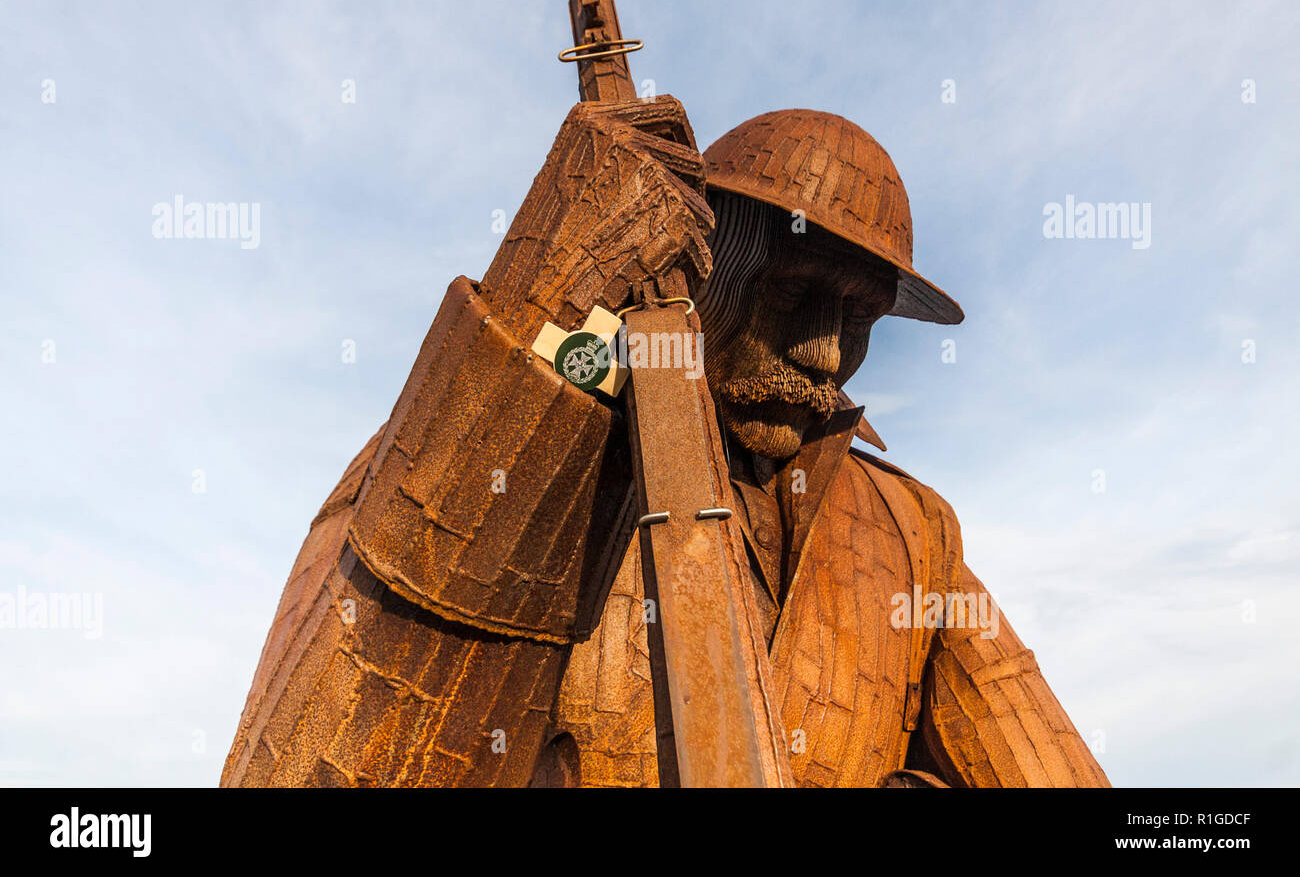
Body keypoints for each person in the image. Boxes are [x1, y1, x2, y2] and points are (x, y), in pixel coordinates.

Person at [222, 98, 1109, 788]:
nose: (828, 351)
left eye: (859, 315)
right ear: (699, 261)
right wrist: (540, 323)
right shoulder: (501, 436)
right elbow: (308, 758)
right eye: (796, 289)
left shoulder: (913, 536)